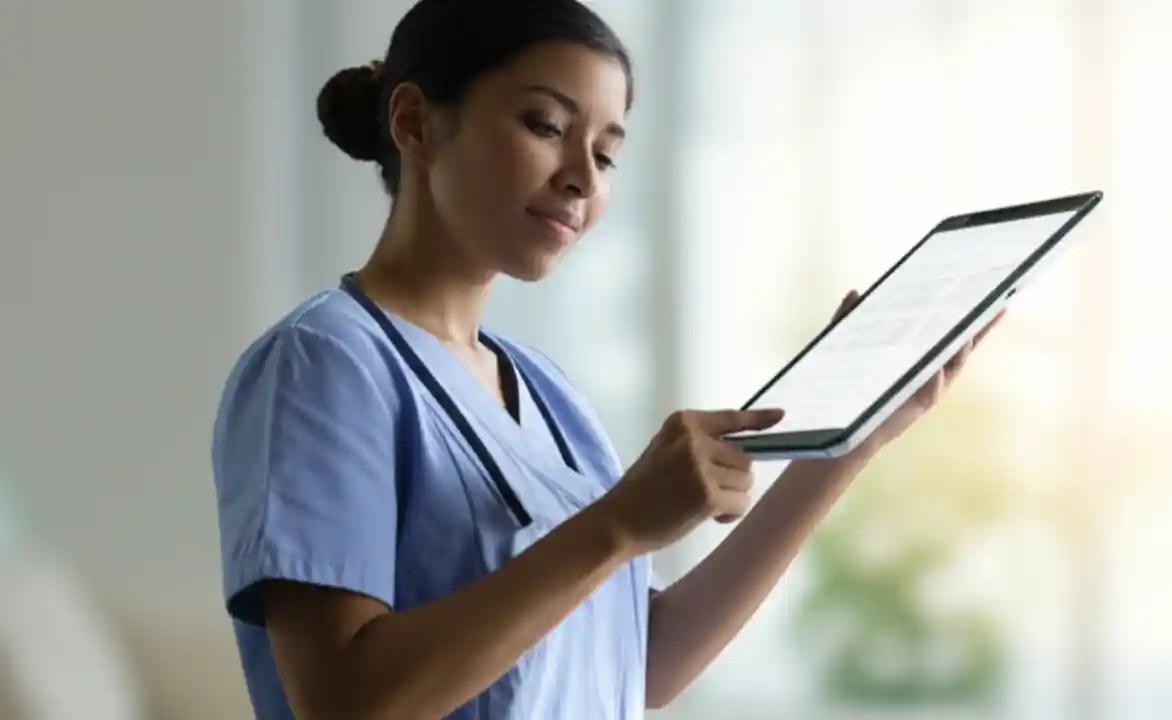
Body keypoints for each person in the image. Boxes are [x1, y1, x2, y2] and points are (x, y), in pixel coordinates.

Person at [210, 1, 1004, 717]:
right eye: (547, 127)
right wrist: (619, 524)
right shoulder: (322, 365)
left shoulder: (548, 394)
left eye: (608, 153)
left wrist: (841, 450)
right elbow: (347, 703)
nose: (583, 179)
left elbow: (639, 664)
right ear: (415, 123)